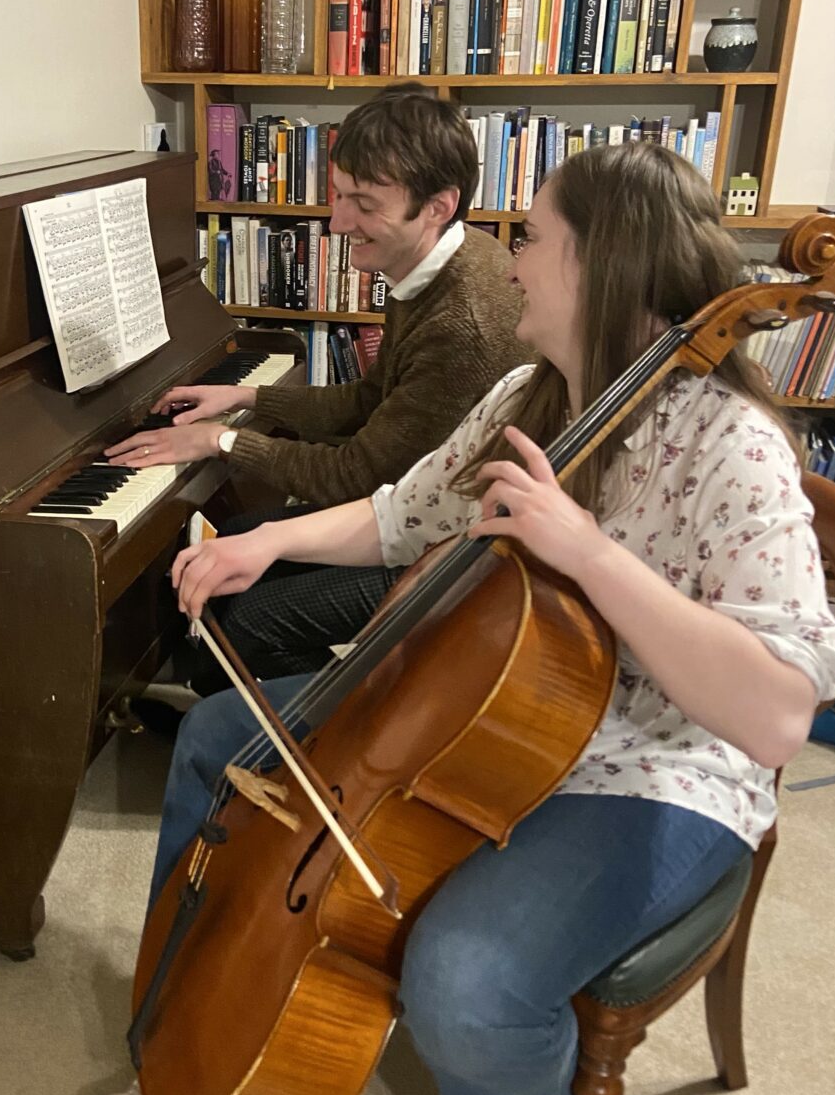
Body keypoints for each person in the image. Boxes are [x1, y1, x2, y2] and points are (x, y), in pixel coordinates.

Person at [83, 141, 835, 1095]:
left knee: (460, 984)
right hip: (486, 711)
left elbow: (778, 710)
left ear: (608, 265)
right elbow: (403, 513)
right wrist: (264, 552)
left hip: (655, 765)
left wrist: (588, 551)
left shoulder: (729, 446)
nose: (508, 261)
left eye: (535, 237)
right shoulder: (528, 392)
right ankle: (176, 1015)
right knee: (222, 734)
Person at [105, 84, 525, 695]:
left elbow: (356, 476)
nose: (337, 221)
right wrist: (246, 400)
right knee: (241, 538)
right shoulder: (435, 259)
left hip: (454, 553)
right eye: (337, 195)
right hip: (420, 508)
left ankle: (331, 747)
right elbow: (370, 398)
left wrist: (220, 443)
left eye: (363, 202)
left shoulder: (460, 321)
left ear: (437, 206)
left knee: (249, 618)